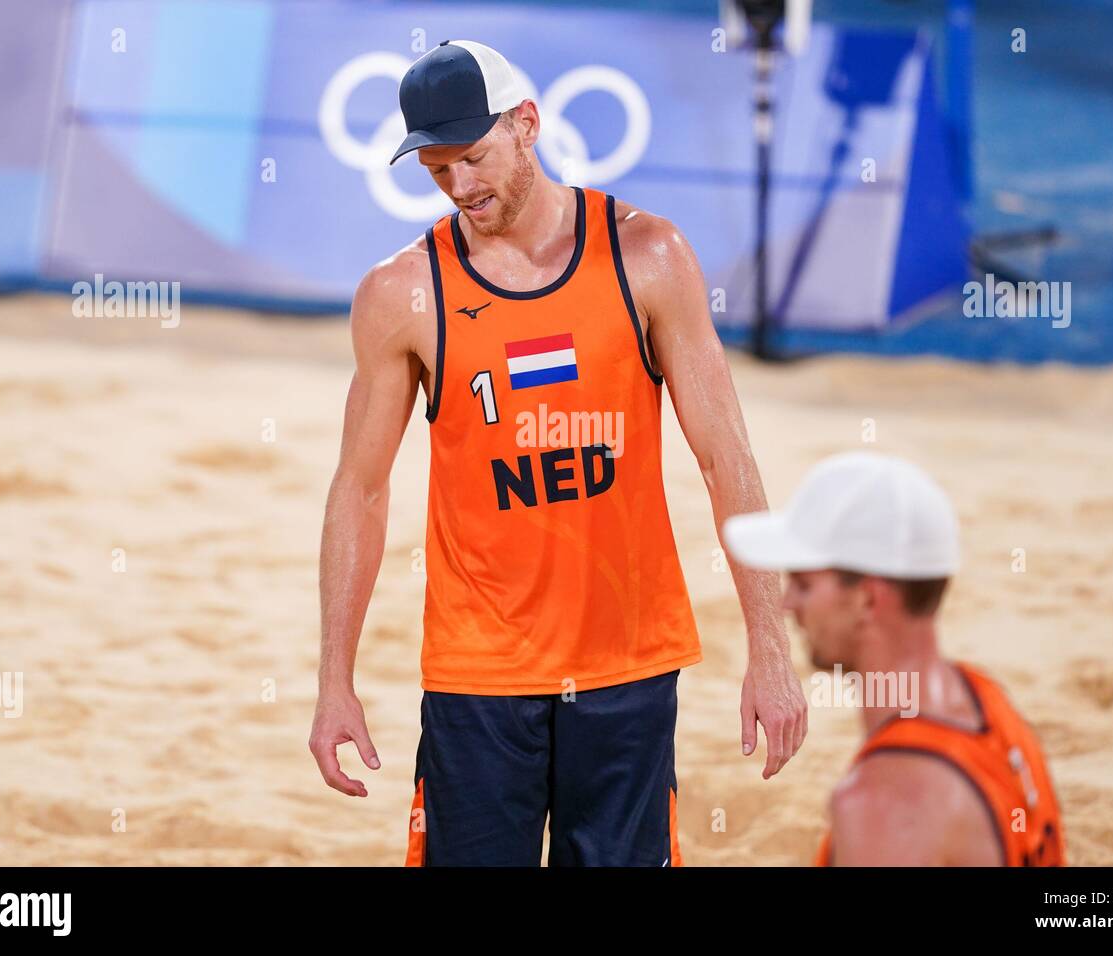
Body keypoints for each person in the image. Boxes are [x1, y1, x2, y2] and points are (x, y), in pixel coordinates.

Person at [309, 39, 807, 866]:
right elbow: (359, 490)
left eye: (474, 156)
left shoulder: (649, 256)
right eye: (436, 168)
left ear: (528, 125)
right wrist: (334, 682)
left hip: (628, 666)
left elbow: (728, 459)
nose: (461, 186)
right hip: (477, 676)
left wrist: (772, 652)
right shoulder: (402, 293)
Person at [723, 451, 1066, 866]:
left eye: (804, 583)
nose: (787, 603)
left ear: (868, 598)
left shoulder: (882, 806)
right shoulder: (987, 700)